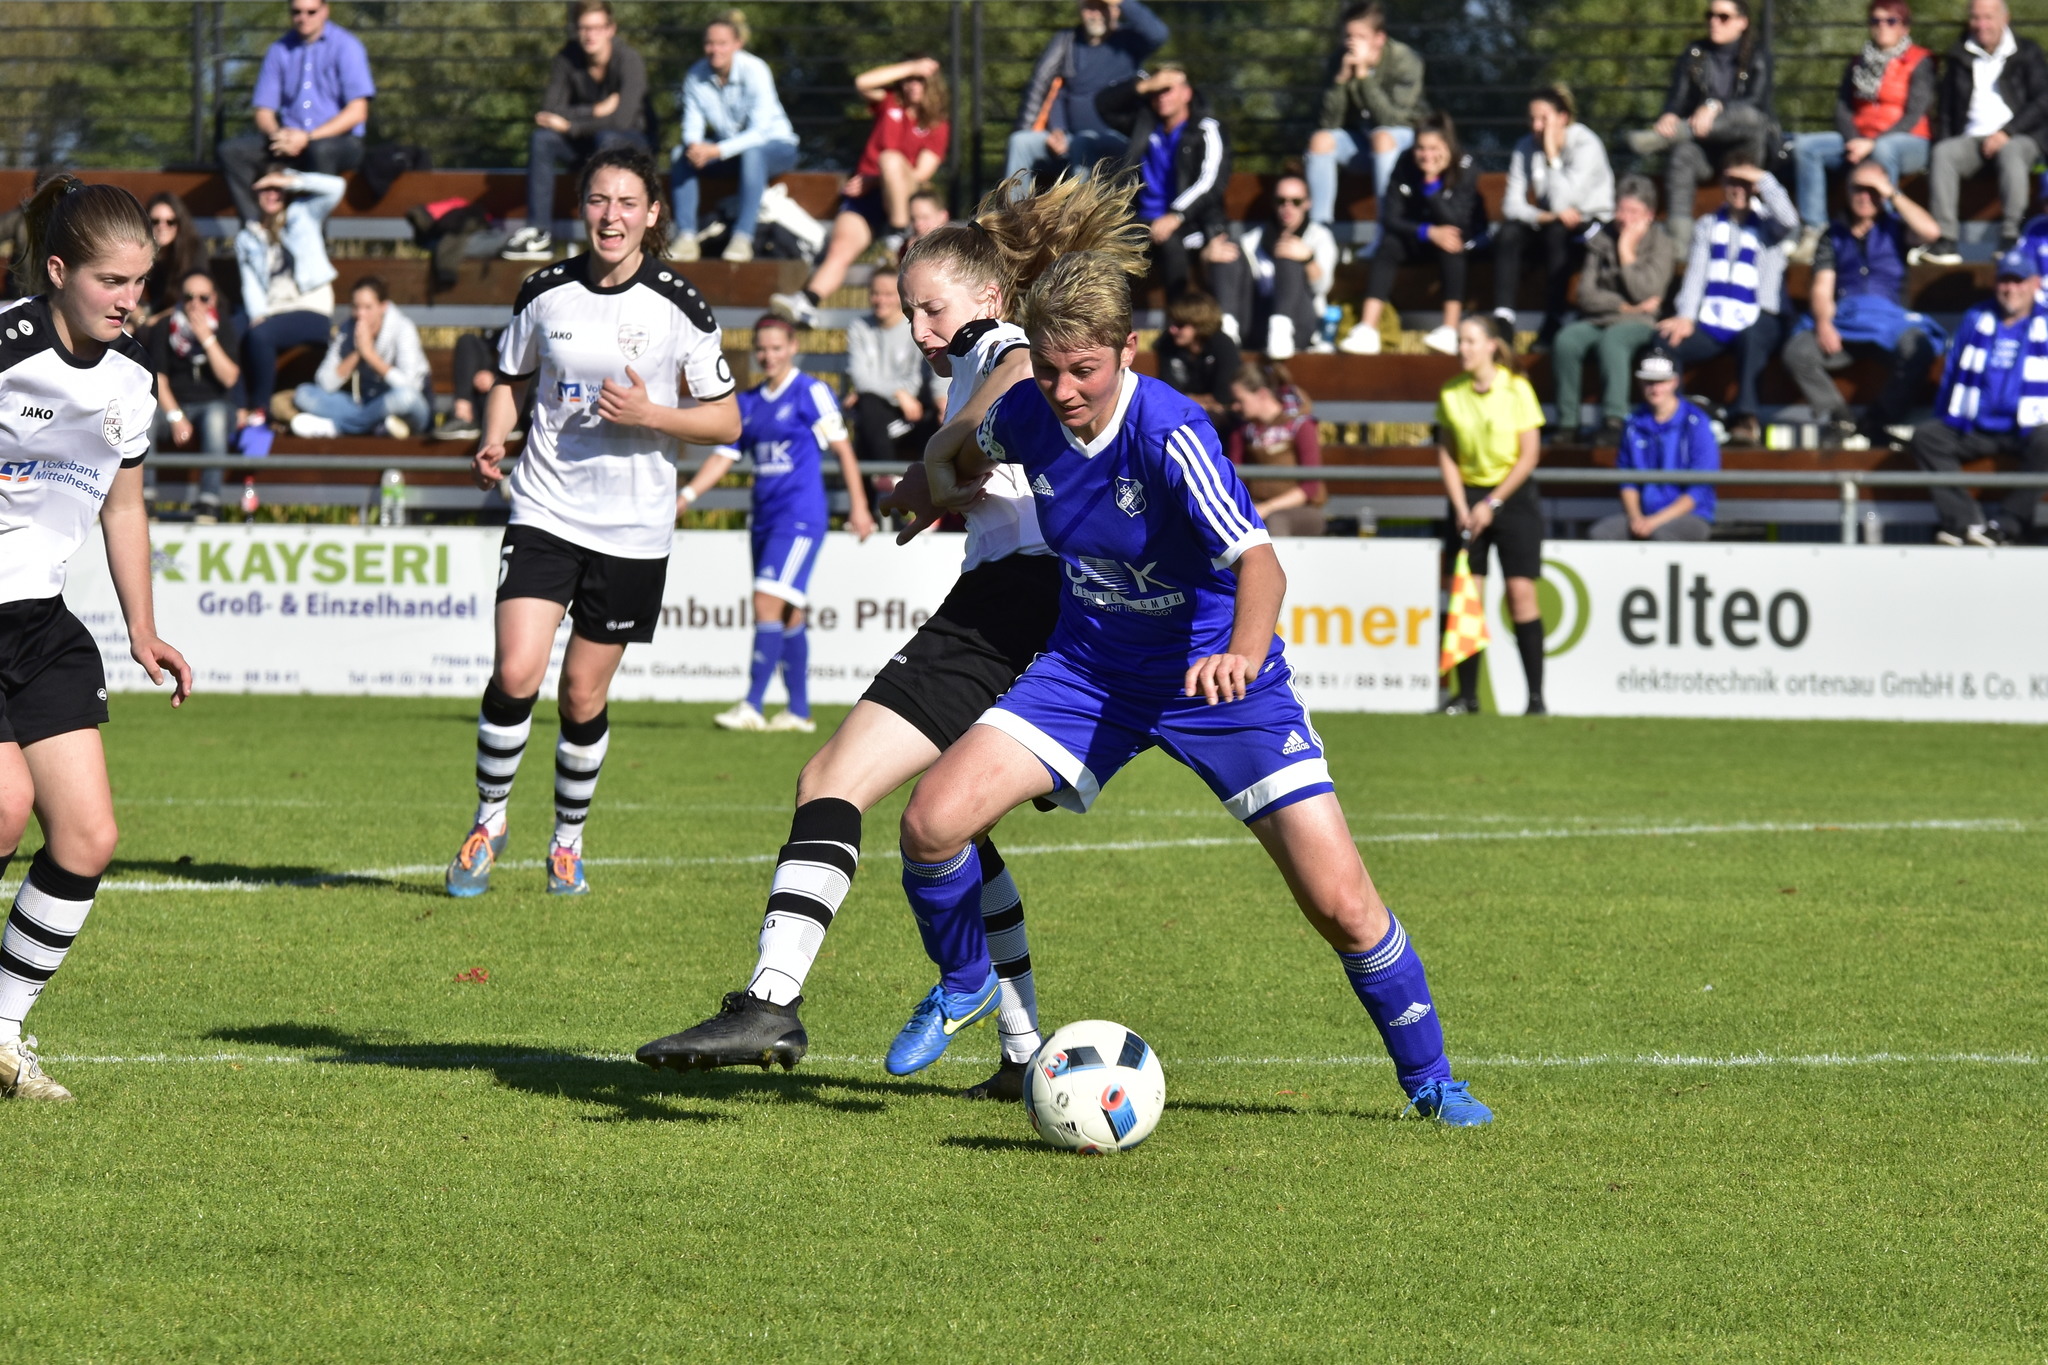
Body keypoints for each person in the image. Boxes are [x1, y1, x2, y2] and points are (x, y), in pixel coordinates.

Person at [891, 251, 1493, 1126]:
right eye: (1051, 369)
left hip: (1221, 682)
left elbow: (1259, 561)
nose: (1064, 391)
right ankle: (964, 979)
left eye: (1085, 371)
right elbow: (966, 445)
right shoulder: (1026, 409)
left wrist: (1244, 654)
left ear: (1127, 352)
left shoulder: (1170, 433)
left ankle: (1432, 1079)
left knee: (1340, 901)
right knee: (931, 820)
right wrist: (937, 477)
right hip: (1091, 670)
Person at [635, 171, 1148, 1102]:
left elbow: (1013, 365)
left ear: (988, 295)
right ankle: (1025, 1048)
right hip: (1050, 601)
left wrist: (942, 453)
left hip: (1014, 600)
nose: (916, 329)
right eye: (909, 311)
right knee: (958, 825)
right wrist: (941, 480)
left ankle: (771, 996)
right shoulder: (973, 351)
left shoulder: (996, 339)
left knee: (830, 779)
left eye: (929, 307)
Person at [446, 145, 741, 899]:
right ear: (585, 209)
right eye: (598, 201)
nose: (611, 216)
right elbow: (511, 381)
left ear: (651, 214)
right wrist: (494, 436)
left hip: (634, 529)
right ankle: (488, 821)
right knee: (516, 670)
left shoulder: (681, 305)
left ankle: (567, 842)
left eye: (626, 203)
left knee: (582, 693)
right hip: (545, 507)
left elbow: (728, 420)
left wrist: (653, 413)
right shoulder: (544, 290)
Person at [0, 177, 194, 1101]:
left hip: (39, 622)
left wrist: (144, 629)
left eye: (139, 282)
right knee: (4, 808)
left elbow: (123, 504)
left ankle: (1, 1029)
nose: (128, 298)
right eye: (110, 281)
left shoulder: (130, 379)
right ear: (58, 270)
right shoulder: (5, 347)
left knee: (87, 835)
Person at [692, 316, 877, 734]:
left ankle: (752, 704)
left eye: (777, 347)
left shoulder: (811, 391)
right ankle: (798, 712)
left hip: (800, 516)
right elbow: (724, 455)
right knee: (788, 613)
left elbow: (843, 450)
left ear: (792, 346)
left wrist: (859, 506)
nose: (768, 355)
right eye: (762, 348)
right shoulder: (749, 402)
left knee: (765, 604)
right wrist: (686, 497)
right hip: (764, 518)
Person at [769, 57, 949, 327]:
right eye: (909, 79)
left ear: (933, 86)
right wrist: (911, 67)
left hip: (902, 196)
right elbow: (862, 82)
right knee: (841, 248)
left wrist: (875, 180)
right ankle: (808, 301)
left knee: (889, 159)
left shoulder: (937, 124)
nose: (913, 85)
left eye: (920, 80)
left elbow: (922, 174)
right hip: (866, 199)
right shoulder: (890, 102)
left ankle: (896, 233)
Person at [1781, 160, 1943, 446]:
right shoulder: (1833, 235)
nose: (1864, 197)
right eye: (1858, 188)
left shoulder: (1896, 228)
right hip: (1845, 322)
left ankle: (1877, 421)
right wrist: (1823, 324)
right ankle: (1839, 416)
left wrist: (1891, 193)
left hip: (1890, 324)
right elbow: (1822, 288)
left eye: (1872, 190)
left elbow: (1931, 232)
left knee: (1919, 348)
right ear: (1847, 190)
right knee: (1798, 351)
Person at [1435, 316, 1545, 716]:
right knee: (1468, 598)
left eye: (1469, 341)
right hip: (1468, 500)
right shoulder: (1451, 392)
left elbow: (1529, 455)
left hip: (1512, 497)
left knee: (1520, 594)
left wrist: (1492, 503)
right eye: (1460, 341)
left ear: (1491, 346)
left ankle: (1535, 699)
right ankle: (1467, 697)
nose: (1462, 348)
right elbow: (1447, 453)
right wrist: (1463, 506)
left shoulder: (1517, 388)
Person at [1656, 157, 1797, 448]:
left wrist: (1762, 178)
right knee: (1665, 341)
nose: (1738, 189)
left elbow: (1790, 219)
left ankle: (1744, 419)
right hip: (1714, 315)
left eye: (1745, 183)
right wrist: (1685, 316)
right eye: (1732, 182)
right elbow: (1696, 275)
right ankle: (1675, 419)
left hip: (1761, 313)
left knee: (1752, 333)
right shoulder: (1708, 225)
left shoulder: (1770, 225)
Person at [1910, 246, 2048, 545]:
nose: (2011, 289)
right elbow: (1953, 373)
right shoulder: (1977, 318)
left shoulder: (2045, 322)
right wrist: (1945, 414)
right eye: (2005, 281)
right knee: (1927, 436)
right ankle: (1965, 523)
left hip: (2026, 428)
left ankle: (2006, 525)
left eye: (2019, 281)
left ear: (2036, 283)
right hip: (1976, 425)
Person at [502, 0, 653, 263]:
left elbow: (622, 120)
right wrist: (596, 111)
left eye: (596, 28)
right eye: (583, 28)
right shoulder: (566, 58)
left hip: (631, 146)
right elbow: (549, 112)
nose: (589, 35)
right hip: (587, 143)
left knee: (606, 137)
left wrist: (571, 124)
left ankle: (611, 229)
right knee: (542, 139)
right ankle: (539, 233)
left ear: (610, 29)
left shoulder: (629, 60)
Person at [1788, 0, 1934, 261]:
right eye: (1875, 21)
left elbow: (1914, 114)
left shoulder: (1919, 61)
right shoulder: (1858, 63)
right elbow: (1843, 108)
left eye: (1890, 21)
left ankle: (1886, 229)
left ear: (1904, 27)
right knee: (1807, 147)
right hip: (1861, 137)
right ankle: (1814, 229)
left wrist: (1872, 142)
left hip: (1909, 140)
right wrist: (1855, 139)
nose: (1882, 27)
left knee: (1884, 149)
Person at [1625, 0, 1774, 246]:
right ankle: (1679, 240)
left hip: (1746, 148)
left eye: (1723, 17)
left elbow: (1756, 101)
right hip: (1706, 146)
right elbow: (1678, 98)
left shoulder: (1758, 55)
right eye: (1710, 15)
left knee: (1749, 116)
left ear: (1742, 22)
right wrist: (1670, 114)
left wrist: (1715, 106)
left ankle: (1672, 136)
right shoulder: (1695, 52)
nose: (1714, 22)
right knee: (1681, 155)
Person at [1341, 112, 1487, 358]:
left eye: (1434, 148)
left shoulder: (1466, 168)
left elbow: (1458, 222)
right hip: (1417, 238)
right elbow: (1390, 218)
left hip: (1455, 244)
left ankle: (1450, 331)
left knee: (1452, 242)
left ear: (1448, 146)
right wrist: (1428, 231)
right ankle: (1367, 329)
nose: (1426, 155)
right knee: (1387, 245)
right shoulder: (1404, 164)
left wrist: (1431, 187)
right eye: (1421, 148)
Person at [218, 0, 375, 225]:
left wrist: (308, 138)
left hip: (339, 143)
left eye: (311, 11)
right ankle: (256, 232)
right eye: (297, 12)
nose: (304, 17)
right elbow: (263, 110)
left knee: (321, 151)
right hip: (288, 140)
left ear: (325, 10)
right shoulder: (279, 50)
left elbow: (357, 111)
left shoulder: (347, 46)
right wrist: (279, 136)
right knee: (232, 152)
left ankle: (316, 236)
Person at [1916, 0, 2048, 264]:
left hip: (2020, 138)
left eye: (1988, 17)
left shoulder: (2027, 52)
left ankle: (2011, 238)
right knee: (1943, 153)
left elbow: (2043, 100)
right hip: (1972, 141)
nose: (1981, 25)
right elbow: (1946, 110)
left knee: (2011, 151)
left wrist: (2007, 132)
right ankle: (1945, 241)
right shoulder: (1958, 55)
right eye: (1975, 18)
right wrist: (1947, 138)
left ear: (2004, 18)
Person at [1551, 176, 1677, 444]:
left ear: (1649, 215)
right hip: (1601, 317)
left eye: (1633, 212)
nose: (1624, 218)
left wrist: (1625, 251)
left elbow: (1647, 292)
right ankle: (1567, 423)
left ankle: (1613, 419)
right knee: (1566, 340)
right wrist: (1623, 305)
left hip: (1640, 323)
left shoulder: (1661, 244)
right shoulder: (1601, 238)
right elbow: (1585, 294)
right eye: (1621, 210)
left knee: (1614, 341)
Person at [670, 10, 800, 264]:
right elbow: (692, 124)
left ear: (736, 44)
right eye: (709, 43)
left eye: (722, 43)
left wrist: (715, 151)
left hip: (777, 147)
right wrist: (694, 147)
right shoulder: (694, 76)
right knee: (679, 155)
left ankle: (743, 238)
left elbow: (760, 132)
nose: (714, 49)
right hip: (732, 154)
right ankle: (686, 236)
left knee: (754, 153)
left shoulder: (755, 70)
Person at [1097, 65, 1230, 305]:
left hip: (1188, 223)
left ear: (1187, 93)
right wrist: (1145, 84)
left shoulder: (1205, 129)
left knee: (1171, 243)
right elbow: (1104, 105)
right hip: (1140, 221)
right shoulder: (1145, 124)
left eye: (1167, 89)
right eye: (1156, 91)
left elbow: (1210, 182)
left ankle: (1177, 322)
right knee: (1102, 246)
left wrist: (1176, 215)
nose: (1160, 96)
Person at [1493, 86, 1614, 347]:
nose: (1536, 126)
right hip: (1553, 223)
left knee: (1558, 232)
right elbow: (1511, 206)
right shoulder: (1524, 146)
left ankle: (1554, 319)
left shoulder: (1586, 144)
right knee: (1509, 232)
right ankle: (1503, 319)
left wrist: (1551, 155)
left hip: (1591, 227)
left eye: (1543, 119)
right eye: (1532, 119)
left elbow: (1565, 201)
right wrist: (1545, 216)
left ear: (1563, 118)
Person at [235, 167, 343, 446]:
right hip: (273, 313)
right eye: (264, 188)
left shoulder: (303, 215)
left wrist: (292, 179)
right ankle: (235, 409)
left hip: (312, 309)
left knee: (260, 335)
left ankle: (261, 409)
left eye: (277, 189)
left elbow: (336, 187)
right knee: (233, 329)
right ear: (254, 192)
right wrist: (258, 314)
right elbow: (251, 284)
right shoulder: (247, 237)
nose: (271, 194)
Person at [1007, 0, 1169, 185]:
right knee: (1020, 142)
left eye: (1102, 7)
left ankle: (1081, 213)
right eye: (1090, 7)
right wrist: (1057, 129)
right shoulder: (1069, 42)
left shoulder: (1129, 42)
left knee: (1083, 143)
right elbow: (1060, 92)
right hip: (1069, 137)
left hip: (1115, 138)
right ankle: (1011, 210)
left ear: (1116, 11)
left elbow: (1159, 34)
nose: (1096, 13)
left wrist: (1123, 2)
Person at [1306, 1, 1428, 223]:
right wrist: (1341, 81)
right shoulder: (1339, 60)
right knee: (1320, 140)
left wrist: (1364, 77)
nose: (1351, 43)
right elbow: (1328, 123)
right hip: (1364, 144)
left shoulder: (1404, 60)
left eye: (1360, 36)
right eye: (1348, 36)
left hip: (1405, 143)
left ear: (1379, 38)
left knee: (1381, 137)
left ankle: (1386, 229)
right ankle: (1319, 230)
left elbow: (1391, 119)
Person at [1591, 348, 1719, 541]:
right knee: (1601, 534)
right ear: (1640, 382)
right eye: (1649, 381)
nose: (1655, 388)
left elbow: (1699, 488)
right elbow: (1627, 480)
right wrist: (1636, 518)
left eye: (1661, 381)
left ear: (1674, 382)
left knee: (1660, 536)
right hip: (1643, 515)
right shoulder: (1633, 422)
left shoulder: (1696, 422)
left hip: (1691, 516)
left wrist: (1654, 522)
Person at [1207, 173, 1339, 359]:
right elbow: (1228, 278)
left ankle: (1281, 327)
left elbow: (1322, 287)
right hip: (1255, 322)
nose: (1288, 207)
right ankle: (1227, 330)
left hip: (1299, 322)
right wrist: (1207, 257)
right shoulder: (1254, 238)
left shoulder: (1320, 237)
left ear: (1308, 203)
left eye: (1296, 201)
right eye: (1281, 200)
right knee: (1229, 250)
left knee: (1288, 252)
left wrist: (1307, 259)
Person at [287, 277, 432, 438]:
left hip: (409, 409)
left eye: (368, 307)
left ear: (383, 307)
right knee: (304, 394)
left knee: (404, 398)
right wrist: (357, 352)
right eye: (356, 307)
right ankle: (372, 425)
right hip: (367, 406)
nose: (361, 314)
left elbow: (409, 386)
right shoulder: (347, 330)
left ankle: (337, 427)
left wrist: (369, 355)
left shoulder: (403, 328)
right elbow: (324, 384)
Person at [149, 270, 242, 521]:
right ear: (180, 298)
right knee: (143, 417)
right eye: (189, 297)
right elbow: (159, 380)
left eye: (203, 298)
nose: (195, 304)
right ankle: (145, 498)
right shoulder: (164, 327)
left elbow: (230, 377)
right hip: (172, 406)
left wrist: (206, 338)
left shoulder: (223, 325)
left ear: (213, 299)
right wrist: (176, 417)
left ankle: (208, 503)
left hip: (213, 407)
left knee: (216, 418)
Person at [1227, 359, 1325, 536]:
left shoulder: (1301, 425)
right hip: (1257, 506)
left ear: (1262, 394)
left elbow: (1310, 488)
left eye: (1240, 400)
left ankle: (1276, 564)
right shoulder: (1243, 431)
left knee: (1275, 522)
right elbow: (1236, 479)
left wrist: (1268, 507)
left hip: (1299, 510)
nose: (1235, 407)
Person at [843, 268, 930, 466]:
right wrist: (898, 393)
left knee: (866, 409)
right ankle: (886, 474)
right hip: (883, 407)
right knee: (869, 405)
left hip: (910, 412)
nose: (880, 300)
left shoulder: (914, 328)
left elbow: (914, 382)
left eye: (888, 294)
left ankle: (879, 479)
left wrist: (868, 389)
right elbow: (860, 378)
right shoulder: (859, 327)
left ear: (901, 296)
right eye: (875, 293)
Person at [1153, 289, 1240, 416]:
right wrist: (1204, 401)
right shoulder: (1167, 344)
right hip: (1180, 415)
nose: (1172, 330)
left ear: (1199, 324)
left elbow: (1224, 397)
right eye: (1171, 323)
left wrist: (1186, 398)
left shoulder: (1223, 345)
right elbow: (1167, 394)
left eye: (1180, 325)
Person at [140, 193, 205, 332]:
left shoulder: (194, 250)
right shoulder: (143, 253)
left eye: (170, 222)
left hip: (193, 316)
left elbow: (196, 299)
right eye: (155, 221)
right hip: (155, 317)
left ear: (180, 224)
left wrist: (152, 321)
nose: (162, 227)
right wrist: (139, 320)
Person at [432, 329, 503, 442]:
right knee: (467, 341)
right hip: (479, 409)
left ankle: (502, 418)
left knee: (516, 342)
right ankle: (462, 415)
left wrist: (498, 382)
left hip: (509, 408)